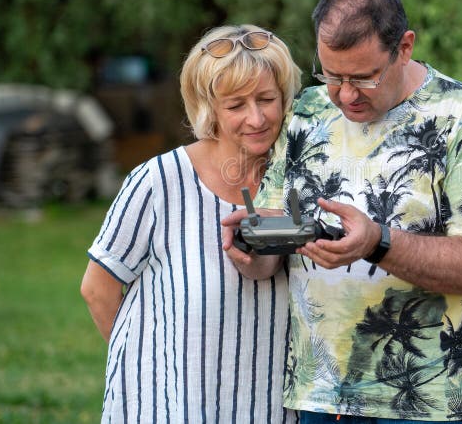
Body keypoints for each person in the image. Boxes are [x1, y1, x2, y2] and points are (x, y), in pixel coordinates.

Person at [222, 0, 462, 423]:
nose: (345, 95)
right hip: (321, 395)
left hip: (432, 401)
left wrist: (378, 242)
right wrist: (253, 246)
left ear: (404, 47)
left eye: (363, 77)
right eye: (332, 75)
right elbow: (275, 249)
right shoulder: (307, 111)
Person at [80, 24, 301, 423]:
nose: (256, 118)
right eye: (236, 105)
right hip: (175, 409)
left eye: (267, 99)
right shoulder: (158, 182)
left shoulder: (300, 182)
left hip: (268, 409)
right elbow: (98, 289)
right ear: (208, 108)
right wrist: (148, 379)